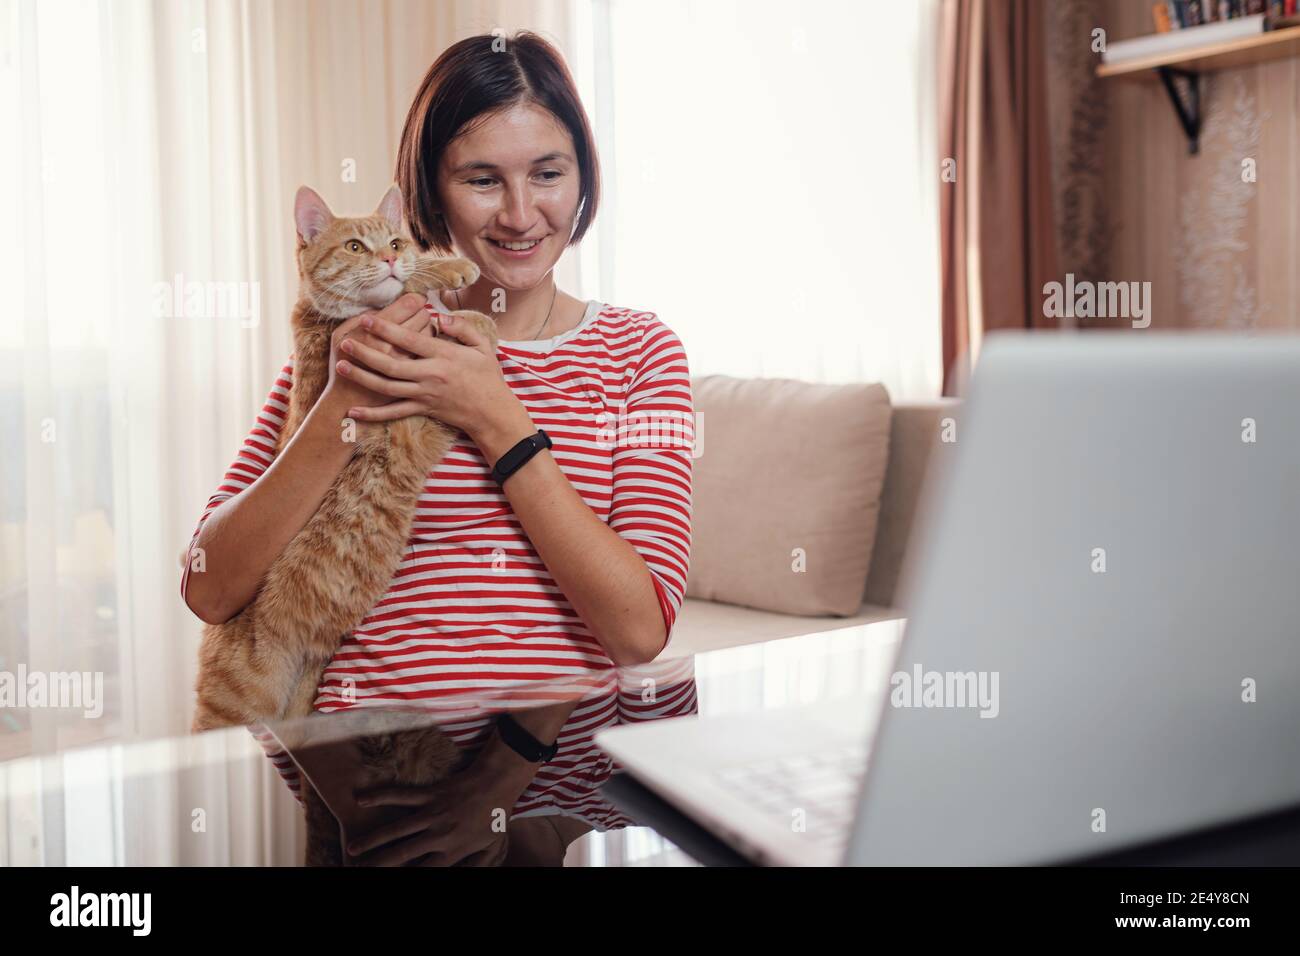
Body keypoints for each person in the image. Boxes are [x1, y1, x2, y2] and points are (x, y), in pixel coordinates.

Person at [181, 30, 697, 866]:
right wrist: (341, 402)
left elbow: (638, 628)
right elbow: (211, 586)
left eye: (549, 173)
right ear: (432, 191)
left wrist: (495, 416)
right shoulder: (359, 341)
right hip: (368, 808)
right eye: (483, 178)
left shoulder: (638, 354)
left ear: (585, 179)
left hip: (569, 815)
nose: (522, 213)